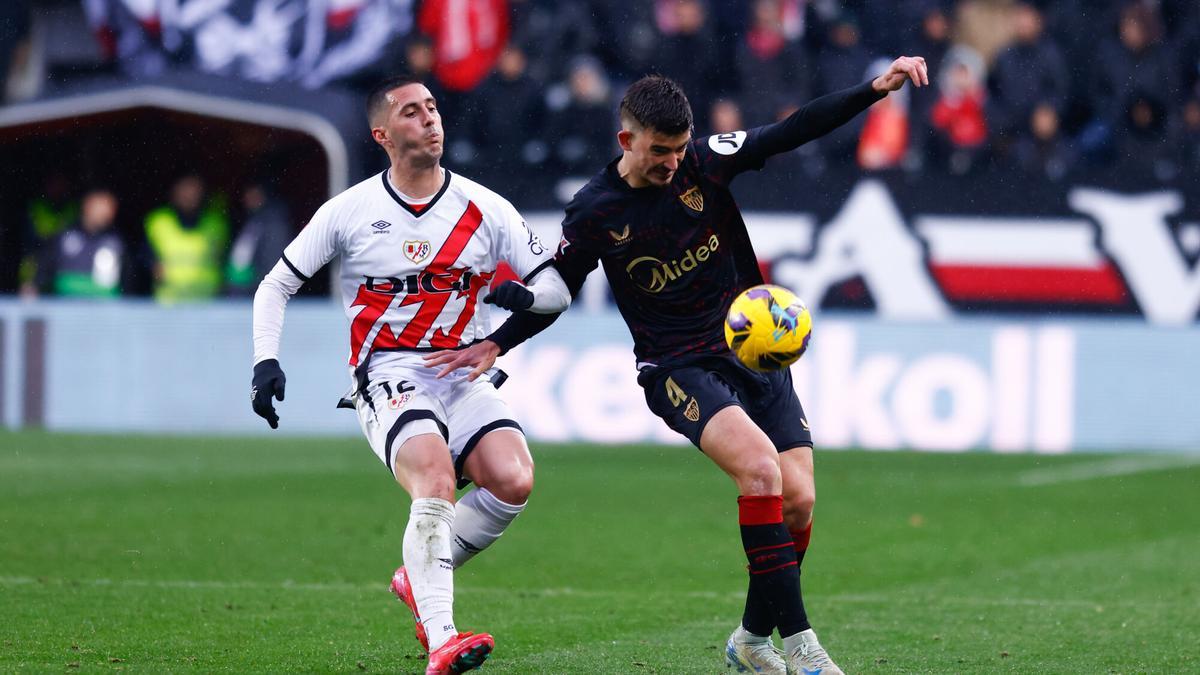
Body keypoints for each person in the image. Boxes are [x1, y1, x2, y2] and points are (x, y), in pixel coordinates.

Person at [428, 58, 929, 674]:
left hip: (752, 348)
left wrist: (873, 90)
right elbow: (559, 285)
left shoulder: (704, 162)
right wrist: (503, 337)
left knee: (798, 501)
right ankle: (802, 646)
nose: (671, 163)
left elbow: (790, 129)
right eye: (660, 151)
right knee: (760, 471)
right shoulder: (595, 211)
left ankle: (749, 641)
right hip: (677, 368)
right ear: (626, 141)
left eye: (678, 149)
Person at [248, 74, 557, 675]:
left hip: (462, 371)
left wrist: (513, 315)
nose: (430, 120)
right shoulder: (350, 211)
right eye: (413, 113)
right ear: (383, 134)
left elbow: (553, 283)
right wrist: (265, 362)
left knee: (514, 478)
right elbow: (276, 284)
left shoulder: (485, 207)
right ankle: (442, 638)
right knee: (435, 481)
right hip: (388, 372)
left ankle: (415, 574)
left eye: (433, 108)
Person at [144, 174, 229, 303]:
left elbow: (228, 261)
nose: (190, 195)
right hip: (168, 304)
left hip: (208, 305)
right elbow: (144, 257)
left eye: (194, 190)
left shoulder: (216, 225)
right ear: (174, 192)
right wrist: (153, 265)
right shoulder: (158, 222)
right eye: (185, 189)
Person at [35, 188, 125, 297]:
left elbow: (128, 282)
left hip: (106, 309)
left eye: (111, 208)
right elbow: (43, 271)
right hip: (65, 307)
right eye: (102, 207)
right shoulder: (64, 236)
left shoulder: (117, 241)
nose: (107, 213)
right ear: (88, 205)